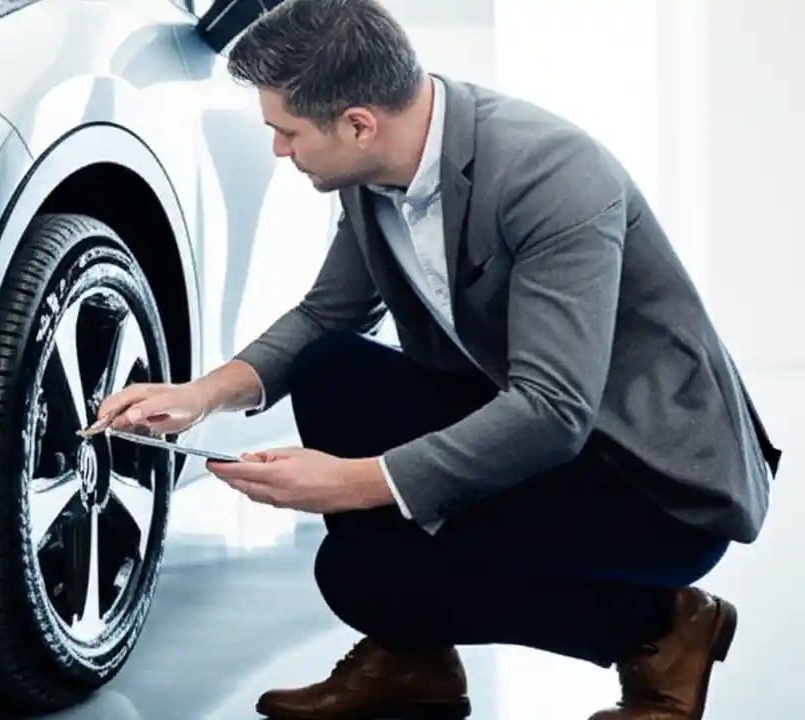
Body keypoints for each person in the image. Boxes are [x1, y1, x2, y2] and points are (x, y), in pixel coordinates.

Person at [90, 0, 781, 718]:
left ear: (358, 123)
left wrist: (357, 483)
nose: (279, 151)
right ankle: (414, 659)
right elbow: (328, 313)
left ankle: (661, 629)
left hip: (650, 481)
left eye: (286, 132)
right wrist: (203, 395)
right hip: (542, 429)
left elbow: (554, 412)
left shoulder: (552, 175)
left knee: (363, 571)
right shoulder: (369, 170)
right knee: (334, 368)